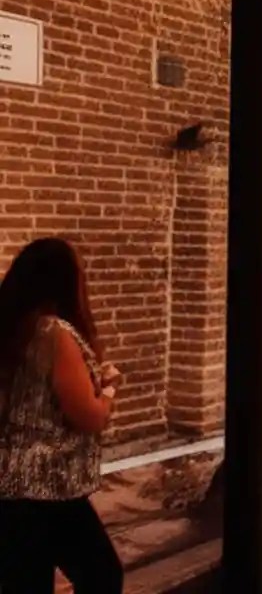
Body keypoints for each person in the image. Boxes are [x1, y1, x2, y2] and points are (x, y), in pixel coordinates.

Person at [0, 237, 124, 593]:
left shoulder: (11, 328)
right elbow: (90, 416)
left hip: (8, 487)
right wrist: (110, 388)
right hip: (48, 489)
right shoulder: (53, 333)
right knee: (102, 575)